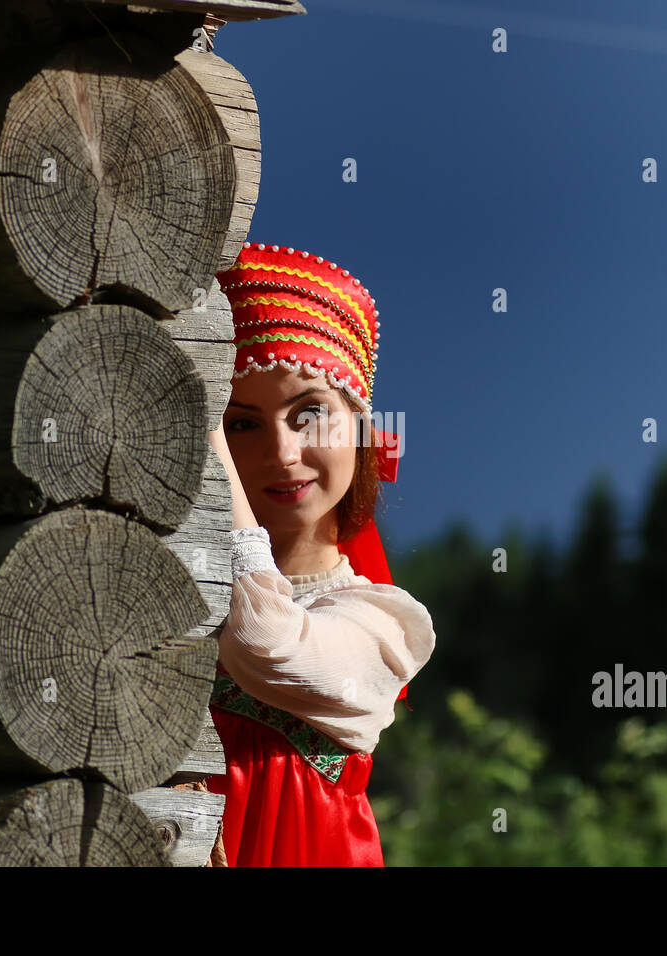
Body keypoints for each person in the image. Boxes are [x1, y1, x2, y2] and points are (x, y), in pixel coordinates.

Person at [203, 242, 436, 866]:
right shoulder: (174, 579)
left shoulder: (384, 625)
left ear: (359, 431)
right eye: (241, 424)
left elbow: (262, 641)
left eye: (308, 413)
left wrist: (206, 436)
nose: (281, 455)